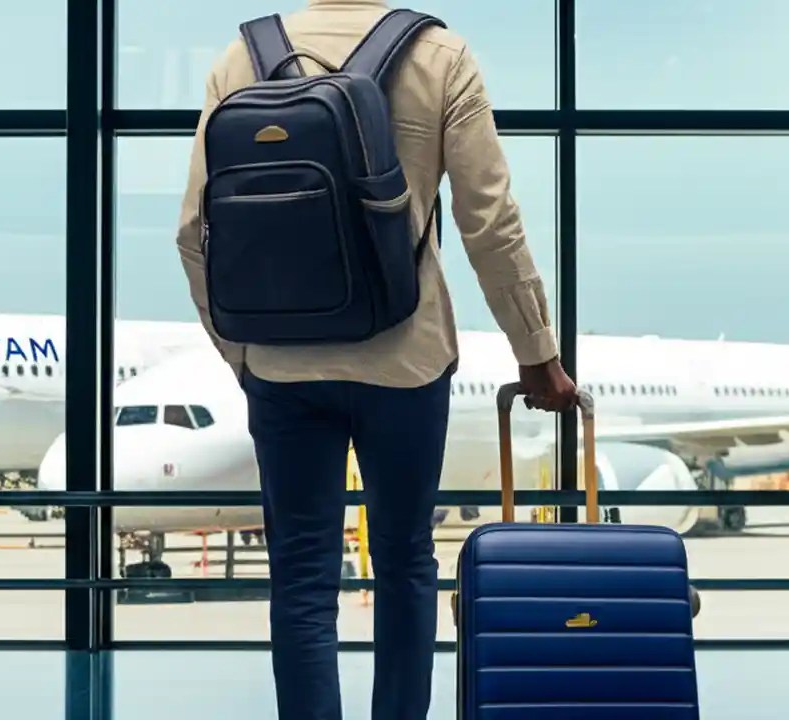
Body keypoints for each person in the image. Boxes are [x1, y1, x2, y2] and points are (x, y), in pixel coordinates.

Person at [175, 1, 578, 718]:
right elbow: (489, 221)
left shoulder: (240, 59)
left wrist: (243, 354)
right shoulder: (441, 55)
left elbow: (191, 233)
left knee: (301, 578)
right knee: (403, 563)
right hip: (405, 357)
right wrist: (535, 352)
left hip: (284, 366)